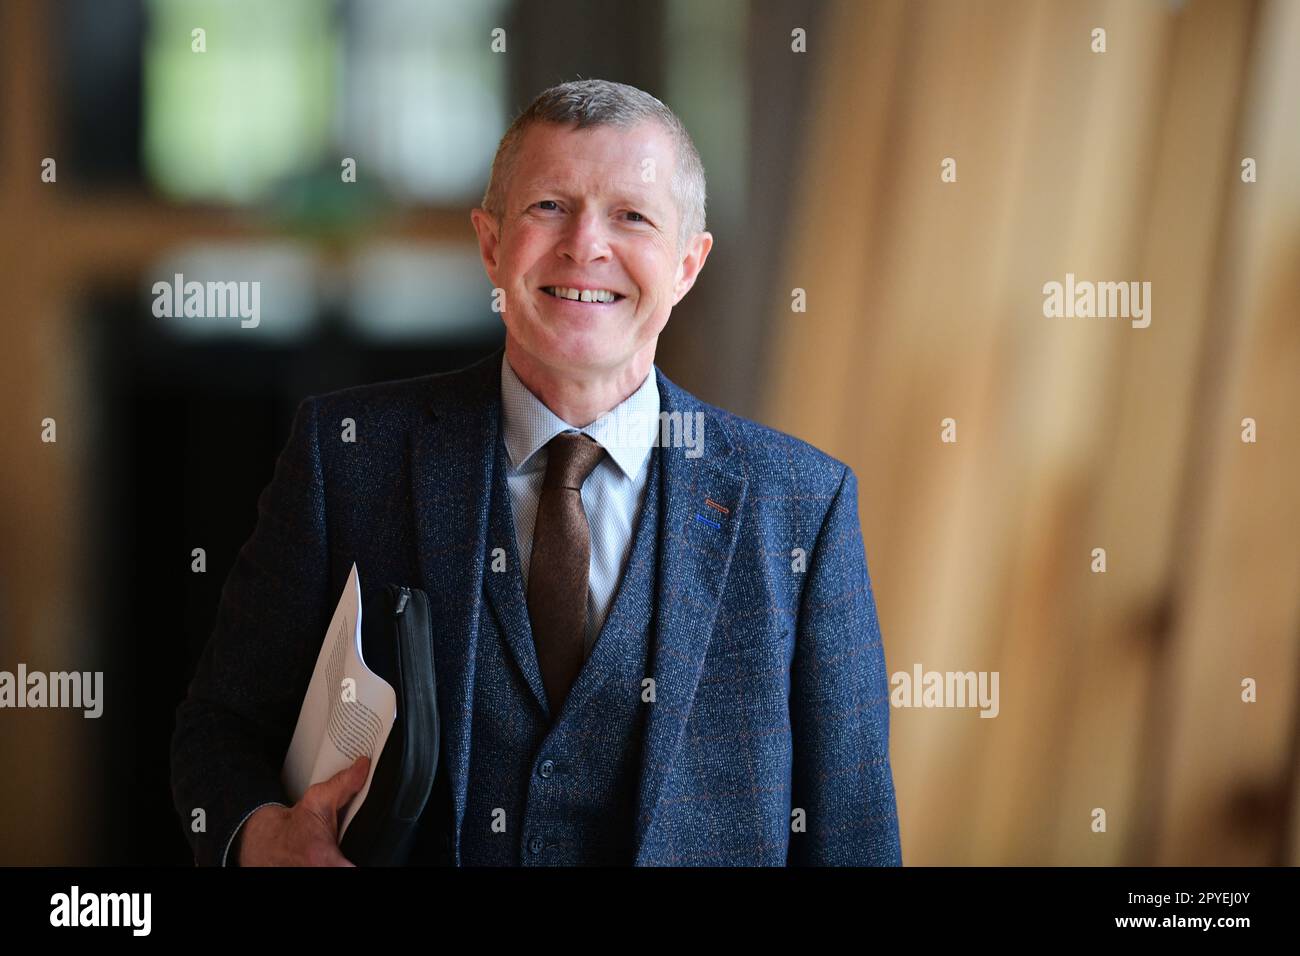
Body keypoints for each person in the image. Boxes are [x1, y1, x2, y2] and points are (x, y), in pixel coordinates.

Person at [170, 78, 901, 867]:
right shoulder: (345, 454)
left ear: (688, 263)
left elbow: (851, 832)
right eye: (550, 206)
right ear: (491, 243)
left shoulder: (801, 506)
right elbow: (220, 730)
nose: (585, 246)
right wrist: (258, 838)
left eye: (632, 215)